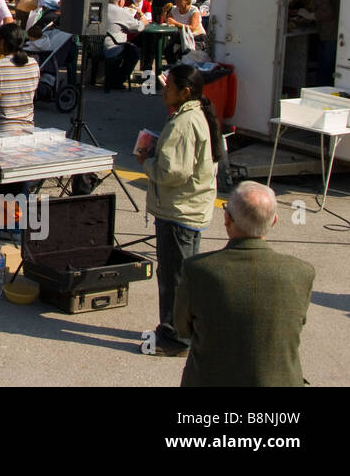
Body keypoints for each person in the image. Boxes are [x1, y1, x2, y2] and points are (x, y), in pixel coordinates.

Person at [175, 182, 315, 387]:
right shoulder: (302, 272)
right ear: (274, 221)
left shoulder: (197, 270)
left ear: (227, 219)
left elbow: (183, 329)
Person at [133, 64, 221, 358]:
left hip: (179, 211)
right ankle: (178, 329)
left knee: (174, 277)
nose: (163, 91)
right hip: (187, 209)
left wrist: (147, 161)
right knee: (179, 274)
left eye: (168, 86)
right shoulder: (191, 115)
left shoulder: (184, 123)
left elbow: (173, 172)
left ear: (184, 92)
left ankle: (175, 337)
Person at [103, 0, 144, 91]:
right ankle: (117, 81)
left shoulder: (100, 7)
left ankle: (112, 78)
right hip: (113, 47)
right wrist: (143, 18)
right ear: (120, 0)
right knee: (134, 52)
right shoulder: (120, 12)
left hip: (94, 47)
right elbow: (138, 27)